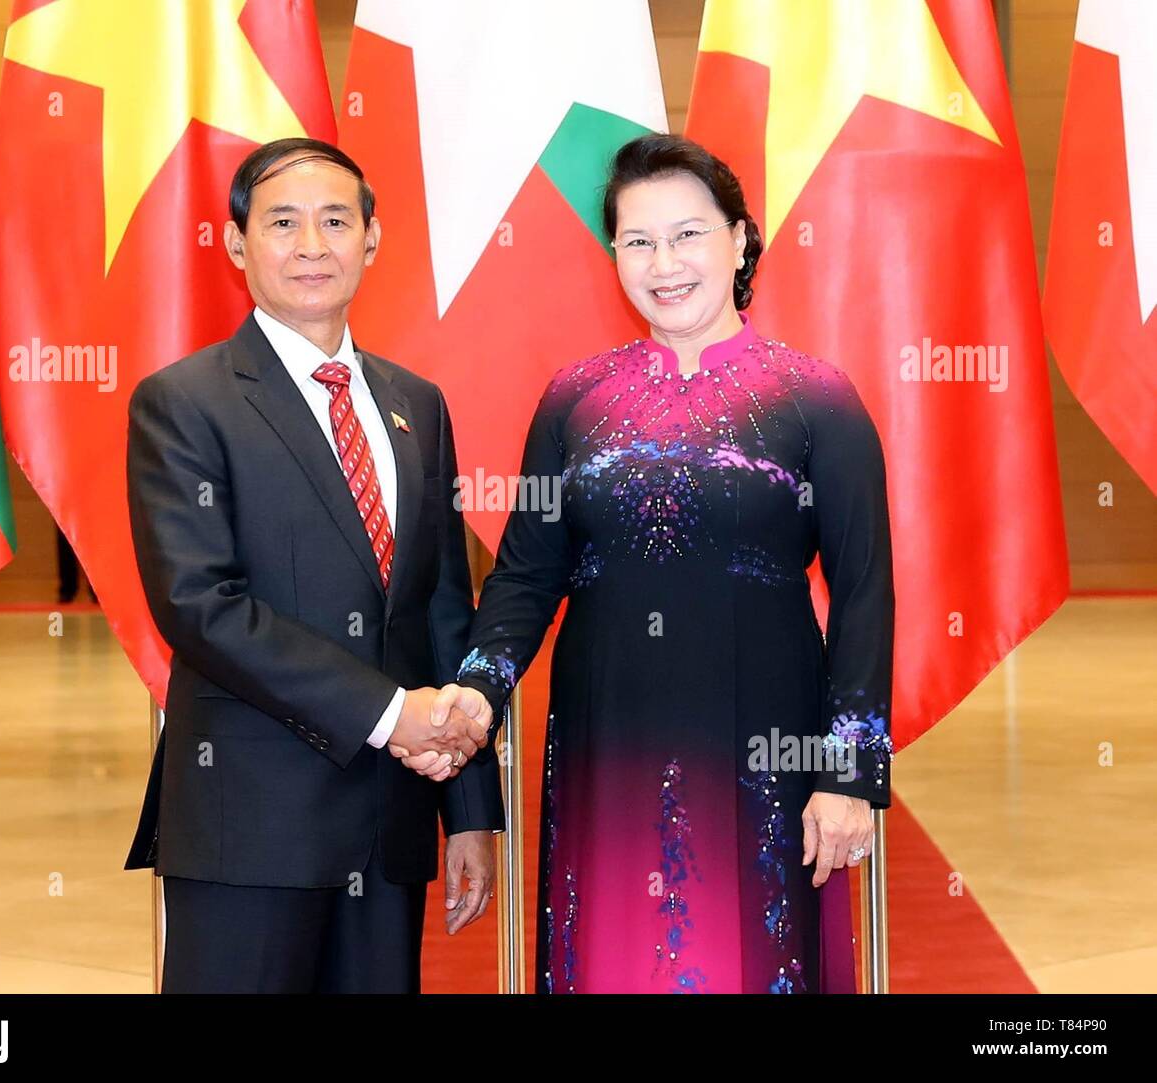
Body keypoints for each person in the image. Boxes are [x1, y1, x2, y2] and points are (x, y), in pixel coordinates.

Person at [424, 133, 895, 993]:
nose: (664, 262)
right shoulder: (572, 398)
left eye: (689, 234)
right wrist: (479, 687)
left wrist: (849, 772)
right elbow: (528, 572)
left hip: (766, 752)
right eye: (637, 241)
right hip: (609, 740)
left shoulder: (818, 397)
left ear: (741, 239)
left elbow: (865, 591)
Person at [122, 138, 500, 993]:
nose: (310, 245)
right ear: (236, 243)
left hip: (390, 828)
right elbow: (201, 607)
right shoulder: (184, 402)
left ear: (371, 239)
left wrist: (469, 811)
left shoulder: (416, 404)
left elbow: (443, 606)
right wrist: (390, 712)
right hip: (250, 829)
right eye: (282, 222)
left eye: (336, 221)